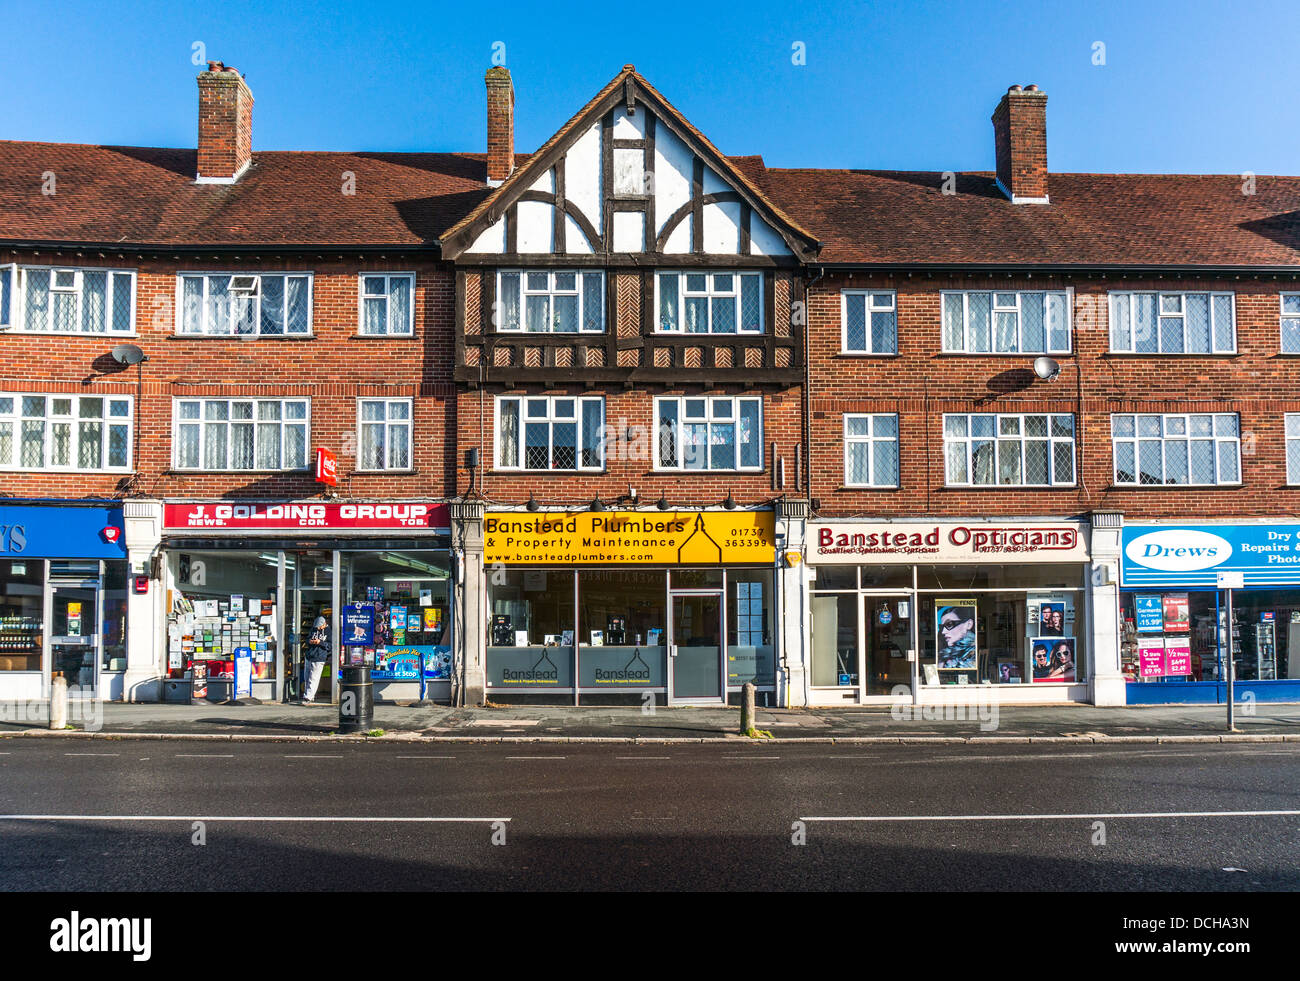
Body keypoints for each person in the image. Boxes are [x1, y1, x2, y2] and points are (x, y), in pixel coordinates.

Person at [301, 615, 330, 704]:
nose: (318, 628)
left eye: (319, 627)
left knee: (313, 678)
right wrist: (310, 641)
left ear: (324, 624)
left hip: (319, 657)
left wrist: (320, 642)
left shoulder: (329, 632)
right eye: (316, 627)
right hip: (310, 655)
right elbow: (307, 639)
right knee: (307, 677)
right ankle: (309, 695)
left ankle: (308, 697)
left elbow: (331, 645)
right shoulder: (313, 629)